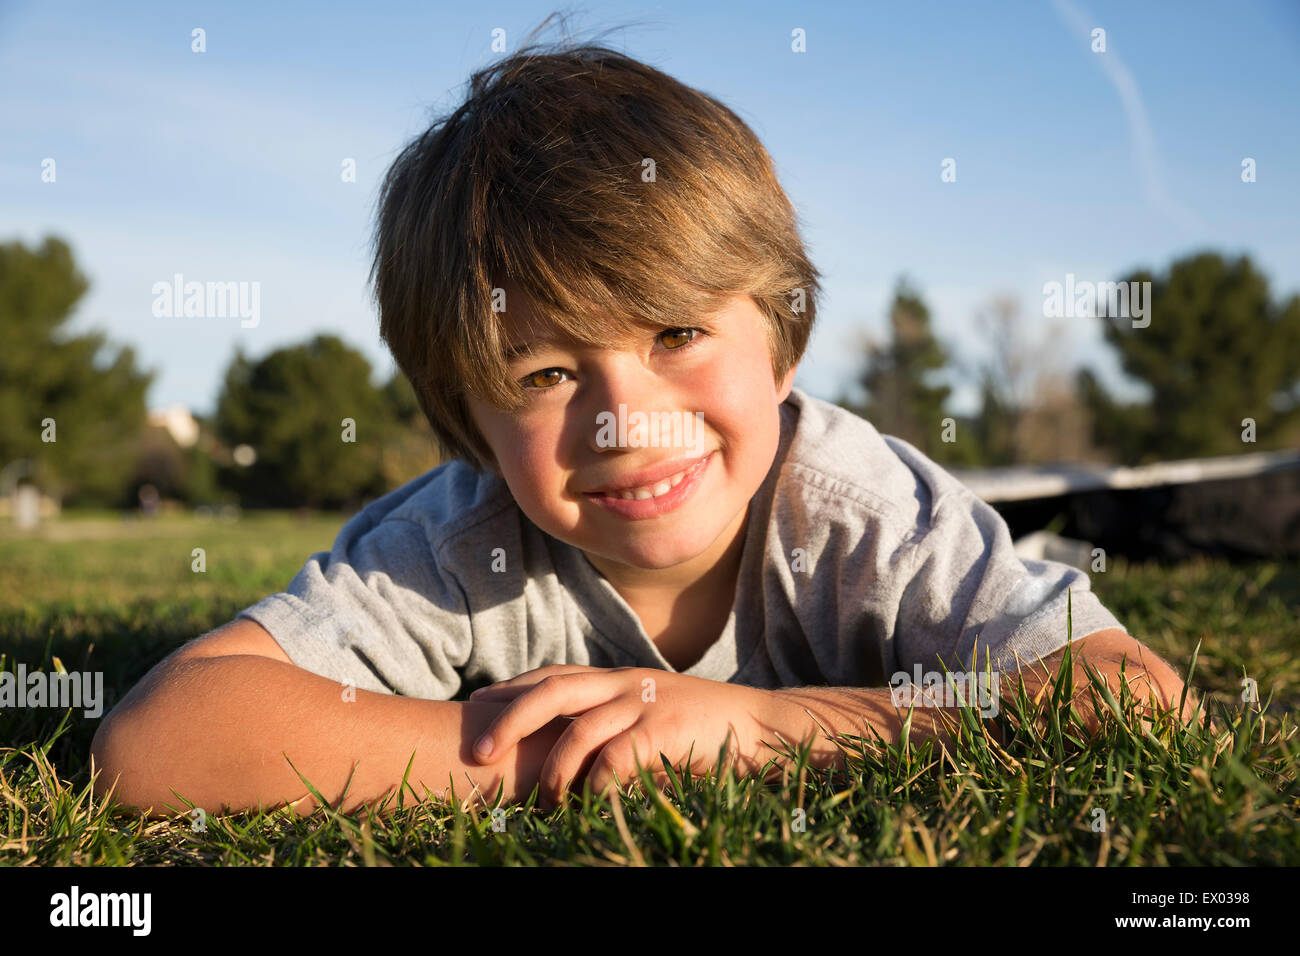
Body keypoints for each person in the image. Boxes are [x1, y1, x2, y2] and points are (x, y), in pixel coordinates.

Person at [90, 38, 1197, 819]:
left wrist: (758, 729)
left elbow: (1135, 699)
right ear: (465, 420)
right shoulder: (455, 546)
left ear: (783, 341)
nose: (624, 418)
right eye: (545, 369)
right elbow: (160, 740)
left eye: (675, 331)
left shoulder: (867, 515)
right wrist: (576, 757)